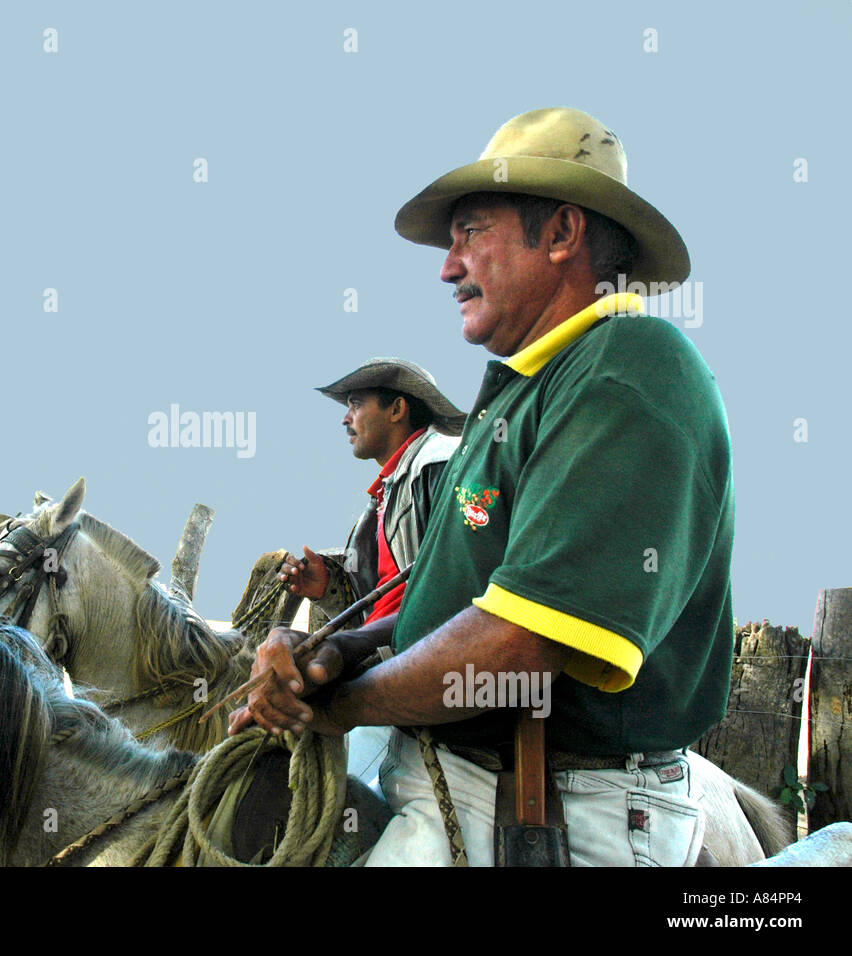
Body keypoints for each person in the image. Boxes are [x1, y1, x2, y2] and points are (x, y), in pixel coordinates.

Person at [229, 107, 734, 868]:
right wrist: (327, 653)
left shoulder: (629, 371)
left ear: (561, 234)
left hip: (559, 807)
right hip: (454, 774)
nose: (446, 266)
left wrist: (334, 706)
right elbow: (445, 614)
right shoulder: (529, 389)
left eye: (472, 232)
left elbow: (516, 649)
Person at [277, 359, 465, 637]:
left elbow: (458, 588)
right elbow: (380, 604)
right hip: (386, 648)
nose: (345, 418)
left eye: (356, 404)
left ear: (397, 410)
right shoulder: (386, 493)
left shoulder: (437, 465)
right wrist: (326, 587)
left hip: (415, 654)